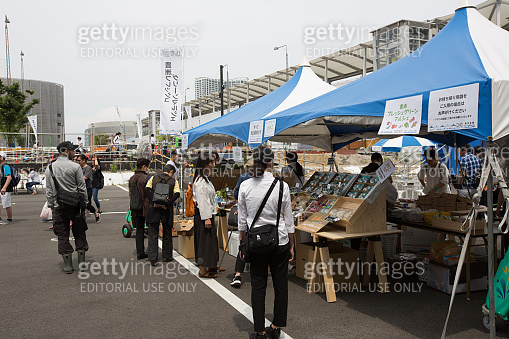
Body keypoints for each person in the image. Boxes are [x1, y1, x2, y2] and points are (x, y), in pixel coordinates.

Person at [238, 146, 294, 339]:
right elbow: (289, 219)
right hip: (279, 240)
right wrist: (292, 244)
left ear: (255, 161)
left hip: (256, 242)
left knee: (258, 286)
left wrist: (242, 243)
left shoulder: (245, 186)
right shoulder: (282, 186)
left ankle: (260, 331)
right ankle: (276, 327)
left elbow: (242, 221)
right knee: (281, 286)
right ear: (271, 162)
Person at [45, 141, 89, 274]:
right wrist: (85, 203)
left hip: (59, 206)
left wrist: (51, 204)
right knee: (79, 232)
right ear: (66, 151)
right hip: (75, 205)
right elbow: (82, 188)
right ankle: (81, 264)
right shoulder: (75, 167)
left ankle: (68, 266)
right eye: (72, 150)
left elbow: (49, 190)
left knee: (62, 234)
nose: (74, 153)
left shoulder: (50, 168)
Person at [145, 164, 180, 266]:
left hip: (154, 208)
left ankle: (152, 258)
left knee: (153, 234)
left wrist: (154, 201)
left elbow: (147, 189)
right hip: (166, 210)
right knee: (167, 233)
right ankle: (167, 256)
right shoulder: (173, 181)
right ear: (171, 172)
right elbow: (177, 193)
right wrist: (168, 203)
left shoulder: (153, 178)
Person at [193, 151, 220, 278]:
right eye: (211, 162)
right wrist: (207, 218)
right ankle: (203, 270)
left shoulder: (205, 178)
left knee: (209, 242)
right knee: (204, 243)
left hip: (207, 215)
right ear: (205, 164)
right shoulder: (201, 181)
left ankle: (211, 265)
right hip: (204, 216)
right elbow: (202, 201)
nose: (213, 165)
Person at [230, 157, 254, 288]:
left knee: (243, 244)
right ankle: (255, 274)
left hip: (246, 215)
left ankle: (238, 275)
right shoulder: (262, 179)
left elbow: (236, 194)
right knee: (255, 244)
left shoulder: (244, 177)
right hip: (257, 219)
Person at [129, 158, 151, 260]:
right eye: (148, 166)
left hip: (135, 207)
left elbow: (130, 193)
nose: (148, 168)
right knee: (151, 229)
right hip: (145, 207)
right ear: (144, 167)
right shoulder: (146, 178)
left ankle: (140, 252)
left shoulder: (132, 178)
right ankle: (152, 252)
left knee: (139, 229)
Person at [77, 154, 101, 223]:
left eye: (79, 160)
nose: (78, 162)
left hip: (88, 188)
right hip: (80, 188)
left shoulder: (88, 168)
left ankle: (96, 214)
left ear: (84, 161)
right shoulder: (79, 168)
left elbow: (85, 178)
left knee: (87, 204)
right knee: (79, 203)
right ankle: (81, 218)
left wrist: (75, 179)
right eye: (77, 160)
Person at [0, 152, 14, 224]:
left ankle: (9, 219)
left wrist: (4, 187)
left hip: (5, 188)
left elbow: (9, 177)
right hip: (1, 187)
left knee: (6, 204)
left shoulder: (5, 166)